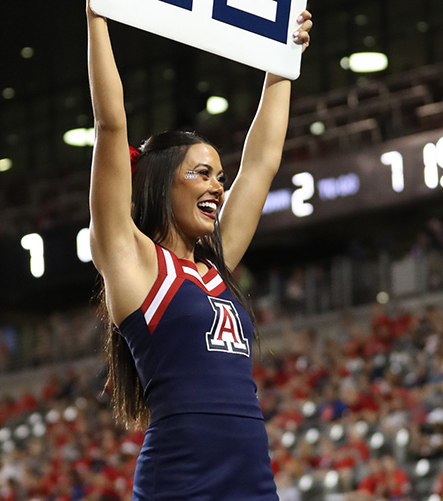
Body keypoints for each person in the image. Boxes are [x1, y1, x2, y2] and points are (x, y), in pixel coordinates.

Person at [85, 2, 312, 499]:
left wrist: (283, 58)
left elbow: (262, 162)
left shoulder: (217, 264)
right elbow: (110, 127)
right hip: (180, 480)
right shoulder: (134, 262)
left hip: (252, 479)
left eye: (219, 176)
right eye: (201, 173)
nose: (217, 186)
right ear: (163, 184)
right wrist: (96, 18)